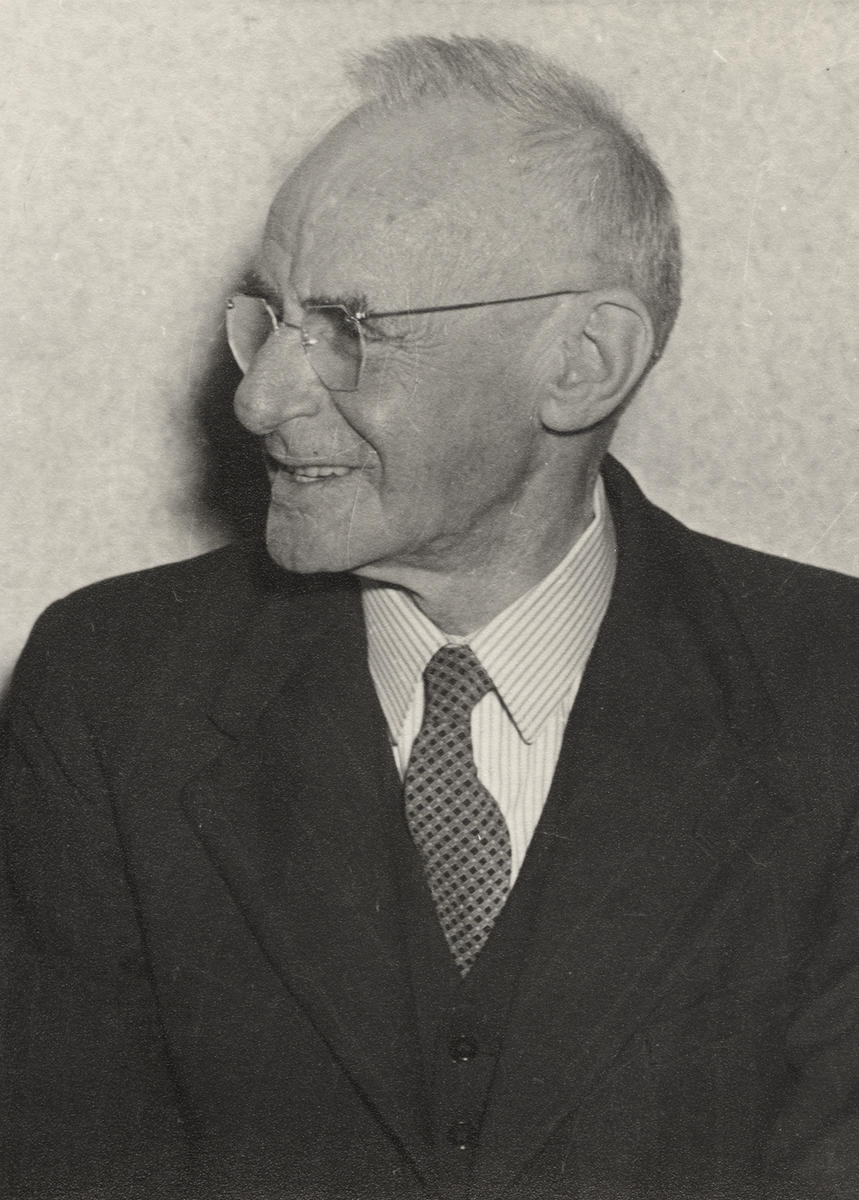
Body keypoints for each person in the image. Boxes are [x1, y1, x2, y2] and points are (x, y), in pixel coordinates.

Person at [2, 33, 858, 1200]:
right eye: (267, 318)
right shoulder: (112, 689)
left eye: (348, 330)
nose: (260, 397)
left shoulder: (832, 694)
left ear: (582, 363)